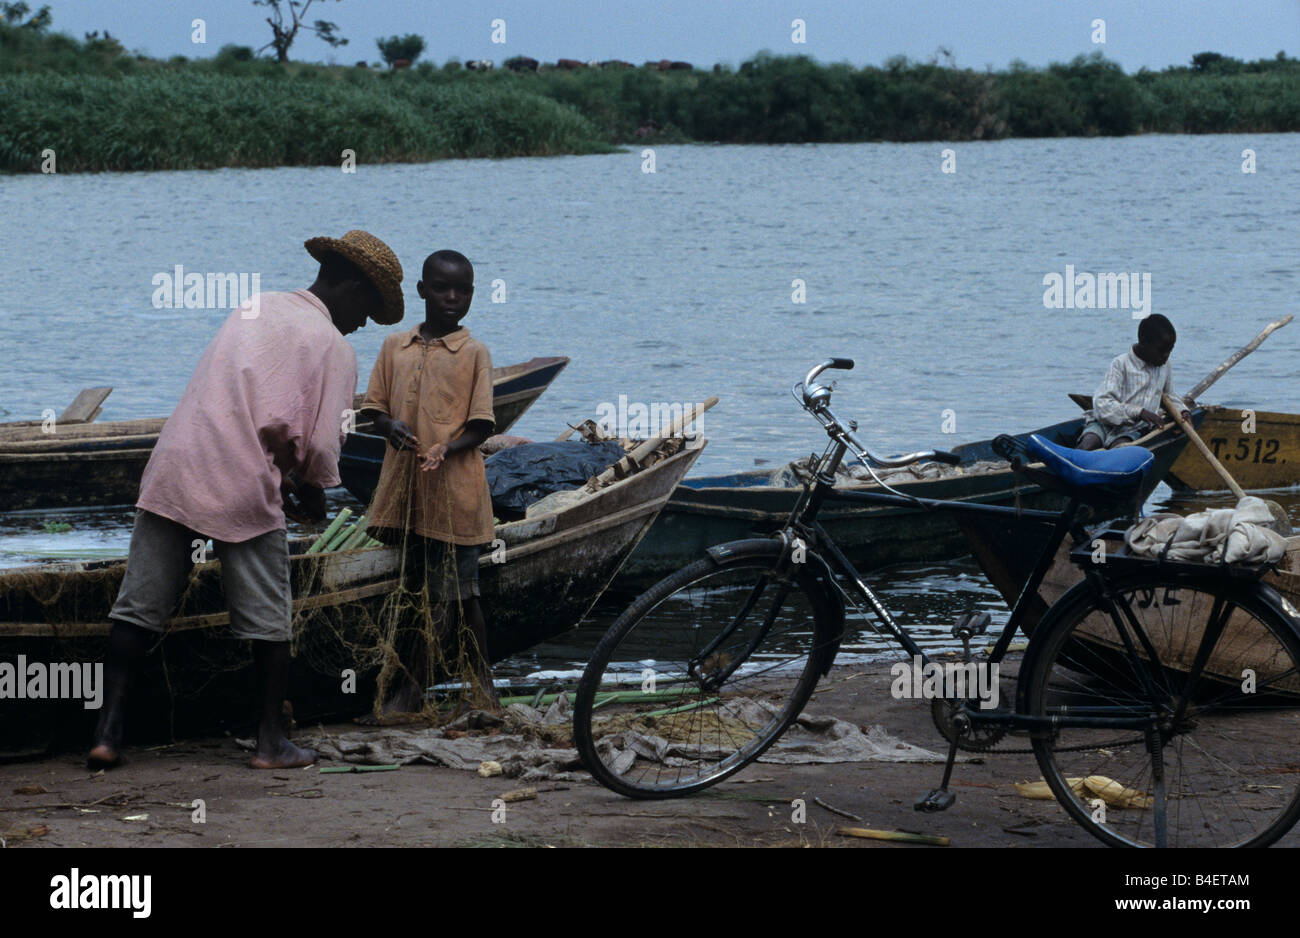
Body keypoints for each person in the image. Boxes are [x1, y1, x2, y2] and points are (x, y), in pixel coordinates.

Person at [88, 230, 405, 770]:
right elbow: (322, 447)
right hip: (240, 483)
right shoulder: (334, 346)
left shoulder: (255, 306)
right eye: (368, 311)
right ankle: (270, 743)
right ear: (351, 286)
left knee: (138, 610)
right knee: (269, 620)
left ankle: (107, 735)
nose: (363, 325)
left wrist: (279, 466)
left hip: (177, 462)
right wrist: (311, 493)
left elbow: (238, 401)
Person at [358, 250, 499, 722]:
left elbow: (480, 426)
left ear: (473, 294)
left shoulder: (474, 353)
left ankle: (436, 693)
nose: (453, 298)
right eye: (442, 288)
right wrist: (389, 426)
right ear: (422, 291)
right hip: (407, 495)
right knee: (422, 591)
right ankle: (452, 692)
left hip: (456, 495)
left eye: (463, 290)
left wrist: (448, 447)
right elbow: (373, 411)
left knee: (459, 596)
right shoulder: (394, 347)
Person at [1078, 313, 1192, 451]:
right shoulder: (1120, 364)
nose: (1166, 356)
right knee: (1088, 444)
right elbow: (1102, 404)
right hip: (1104, 423)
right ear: (1144, 342)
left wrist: (1183, 411)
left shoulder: (1164, 366)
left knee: (1120, 449)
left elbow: (1169, 397)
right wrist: (1139, 412)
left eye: (1170, 351)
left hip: (1133, 430)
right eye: (1161, 351)